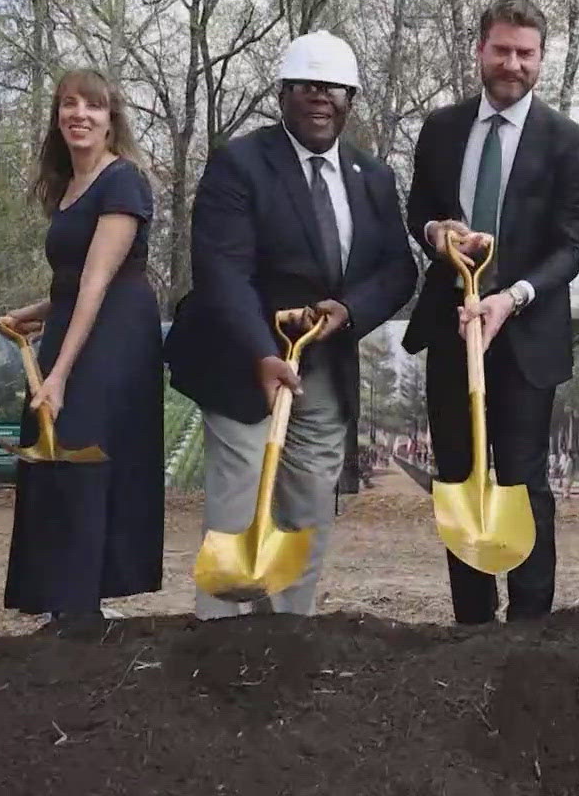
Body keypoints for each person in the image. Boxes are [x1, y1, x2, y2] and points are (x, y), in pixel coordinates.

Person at [166, 31, 417, 618]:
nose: (320, 98)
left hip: (323, 369)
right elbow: (222, 270)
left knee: (307, 507)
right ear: (283, 93)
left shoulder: (371, 177)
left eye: (333, 88)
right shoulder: (241, 163)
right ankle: (219, 644)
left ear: (351, 98)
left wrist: (349, 310)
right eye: (307, 86)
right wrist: (261, 351)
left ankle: (288, 639)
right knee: (239, 504)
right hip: (241, 362)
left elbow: (397, 270)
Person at [405, 0, 579, 625]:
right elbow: (419, 213)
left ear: (541, 59)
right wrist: (437, 233)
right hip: (451, 326)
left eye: (526, 53)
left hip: (523, 332)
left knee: (522, 477)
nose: (513, 63)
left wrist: (510, 298)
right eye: (502, 49)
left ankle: (531, 627)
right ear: (480, 51)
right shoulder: (441, 129)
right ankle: (471, 623)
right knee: (459, 475)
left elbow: (571, 247)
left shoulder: (569, 143)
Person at [0, 71, 164, 623]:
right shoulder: (69, 187)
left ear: (111, 117)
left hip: (115, 335)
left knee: (78, 448)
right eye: (68, 105)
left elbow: (101, 282)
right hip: (77, 322)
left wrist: (60, 374)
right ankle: (65, 603)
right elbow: (75, 282)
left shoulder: (123, 181)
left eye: (92, 106)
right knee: (53, 452)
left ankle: (79, 610)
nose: (79, 115)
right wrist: (39, 312)